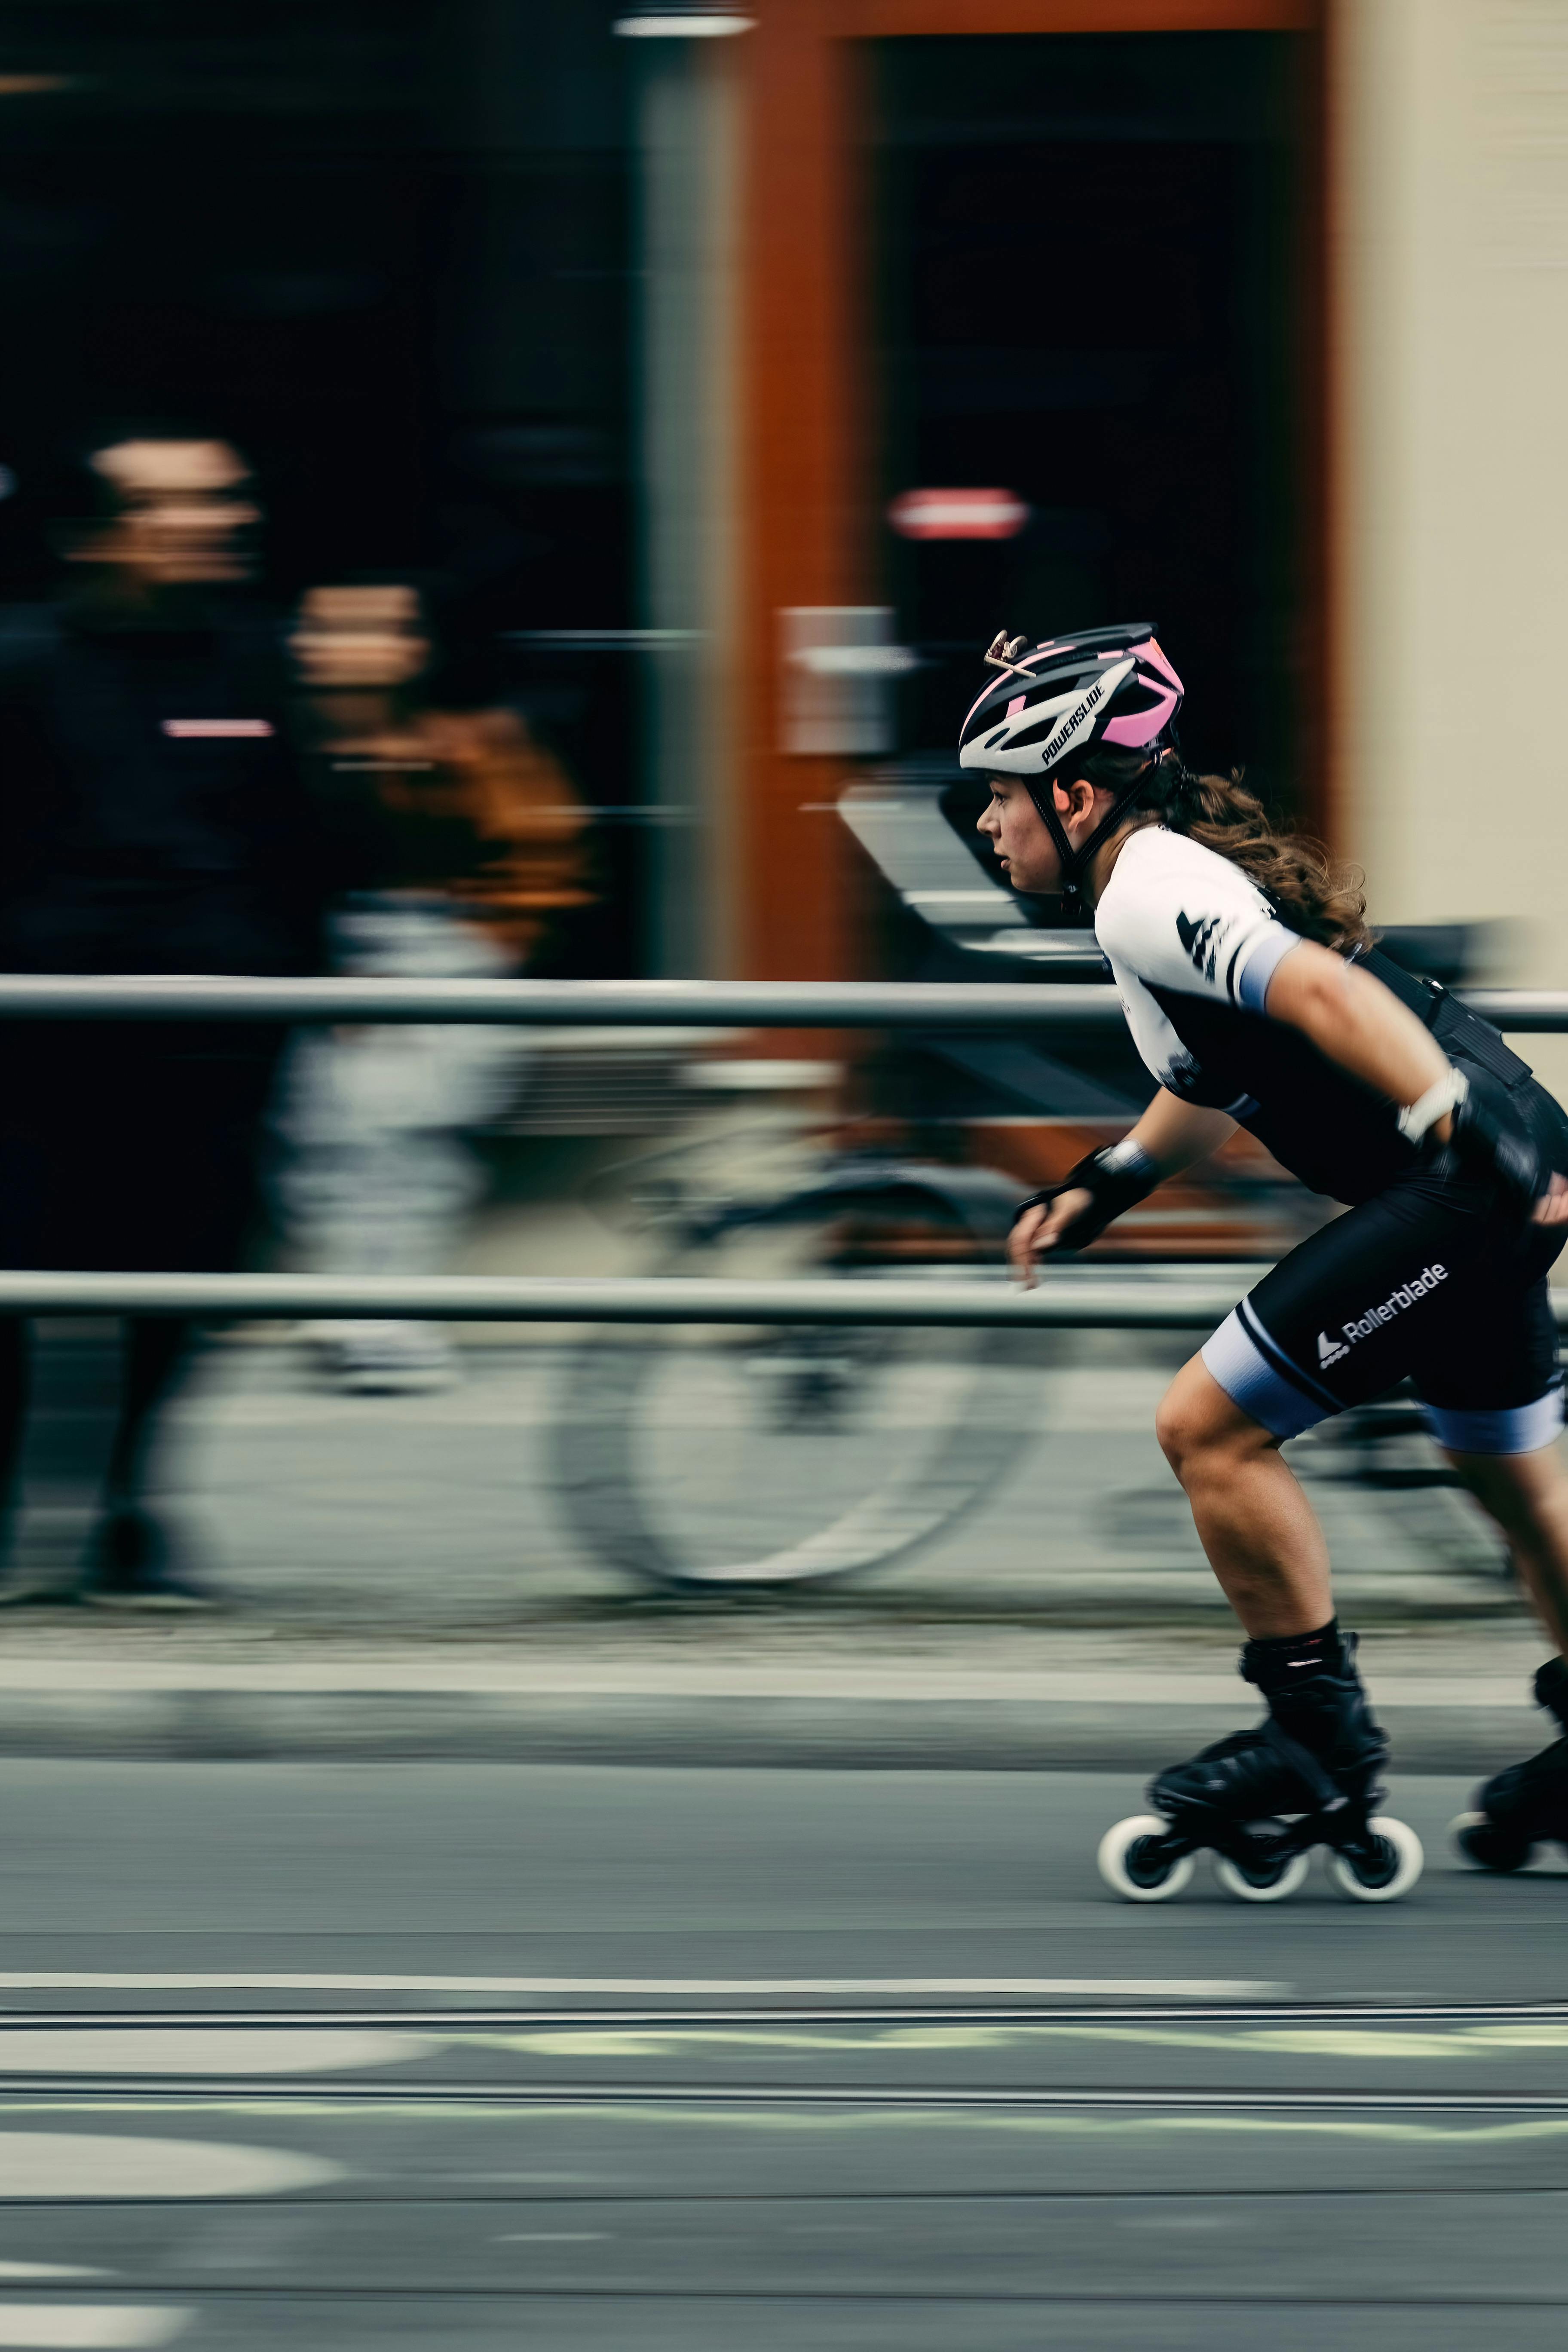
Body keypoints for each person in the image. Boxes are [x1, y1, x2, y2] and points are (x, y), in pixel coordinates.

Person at [963, 622, 1568, 1899]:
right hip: (1505, 1162)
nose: (988, 828)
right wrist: (1107, 1184)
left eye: (1001, 799)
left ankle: (1315, 1747)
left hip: (1464, 1179)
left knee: (1208, 1428)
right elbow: (1219, 1077)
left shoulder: (1144, 889)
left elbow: (1326, 1001)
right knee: (1518, 1484)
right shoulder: (1149, 885)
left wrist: (1442, 1123)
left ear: (1075, 792)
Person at [0, 429, 323, 1605]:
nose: (213, 521)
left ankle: (126, 1506)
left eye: (225, 500)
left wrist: (308, 985)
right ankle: (16, 1518)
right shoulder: (24, 663)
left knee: (185, 1283)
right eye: (171, 505)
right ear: (95, 531)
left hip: (213, 1049)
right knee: (21, 1283)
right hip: (40, 1050)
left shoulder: (262, 661)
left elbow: (302, 841)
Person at [273, 581, 592, 1392]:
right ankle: (351, 1316)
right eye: (334, 629)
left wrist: (482, 949)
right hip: (322, 957)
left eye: (380, 630)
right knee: (326, 1147)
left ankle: (387, 1325)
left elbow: (542, 856)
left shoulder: (474, 739)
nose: (355, 648)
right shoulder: (280, 733)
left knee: (412, 1146)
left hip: (440, 954)